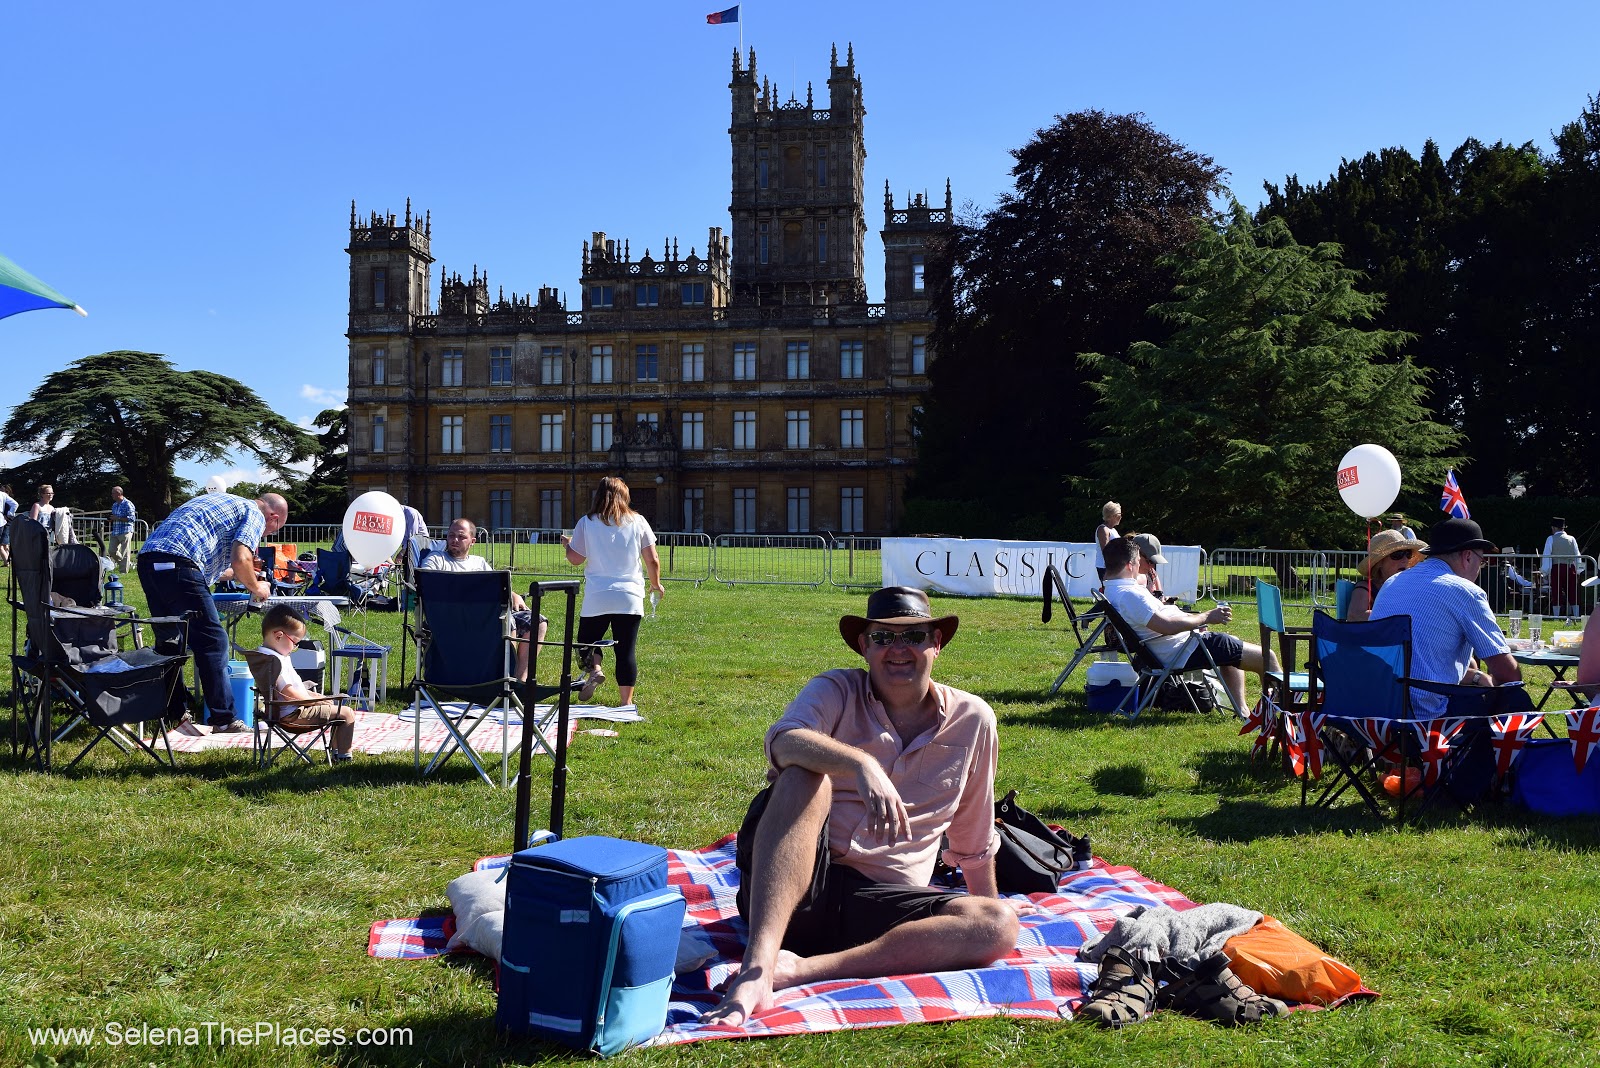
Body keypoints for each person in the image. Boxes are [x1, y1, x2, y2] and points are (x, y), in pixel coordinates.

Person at [702, 586, 1020, 1026]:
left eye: (912, 636)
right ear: (864, 647)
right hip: (794, 891)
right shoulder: (836, 689)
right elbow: (782, 740)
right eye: (883, 638)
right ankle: (757, 968)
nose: (898, 650)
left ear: (937, 644)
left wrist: (982, 912)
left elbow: (972, 832)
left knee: (999, 924)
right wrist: (858, 763)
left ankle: (798, 970)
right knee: (804, 775)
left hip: (883, 909)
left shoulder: (974, 720)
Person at [138, 492, 289, 734]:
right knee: (213, 641)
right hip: (179, 563)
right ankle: (224, 720)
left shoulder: (226, 502)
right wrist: (257, 586)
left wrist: (243, 573)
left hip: (149, 562)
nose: (268, 534)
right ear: (272, 516)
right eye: (274, 528)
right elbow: (241, 559)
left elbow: (216, 567)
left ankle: (174, 716)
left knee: (170, 643)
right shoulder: (254, 513)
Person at [1101, 535, 1277, 713]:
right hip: (1181, 649)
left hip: (1174, 646)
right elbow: (1167, 626)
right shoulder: (1130, 595)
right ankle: (1279, 716)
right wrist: (1206, 616)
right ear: (1130, 565)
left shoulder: (1113, 589)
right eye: (1138, 562)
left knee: (1231, 644)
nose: (1141, 567)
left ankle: (1243, 711)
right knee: (1267, 658)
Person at [1371, 517, 1521, 715]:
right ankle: (1478, 747)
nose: (1479, 568)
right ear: (1468, 556)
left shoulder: (1392, 583)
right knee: (1517, 698)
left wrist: (1476, 676)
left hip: (1375, 709)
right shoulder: (1466, 591)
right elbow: (1507, 673)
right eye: (1481, 561)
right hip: (1425, 714)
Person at [561, 476, 665, 707]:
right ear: (625, 496)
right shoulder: (638, 521)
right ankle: (626, 702)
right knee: (625, 650)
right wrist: (655, 583)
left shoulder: (586, 522)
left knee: (587, 641)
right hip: (629, 595)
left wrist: (567, 545)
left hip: (598, 594)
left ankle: (595, 669)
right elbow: (653, 559)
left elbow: (576, 559)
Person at [418, 517, 546, 682]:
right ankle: (504, 678)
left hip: (486, 618)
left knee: (537, 622)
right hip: (451, 620)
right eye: (451, 535)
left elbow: (496, 587)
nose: (454, 540)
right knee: (506, 621)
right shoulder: (436, 559)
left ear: (473, 541)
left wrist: (513, 595)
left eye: (461, 536)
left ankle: (520, 680)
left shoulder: (479, 562)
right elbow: (426, 583)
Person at [256, 604, 358, 761]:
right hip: (294, 715)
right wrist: (316, 701)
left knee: (334, 706)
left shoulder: (264, 656)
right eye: (295, 642)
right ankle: (343, 757)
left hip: (281, 711)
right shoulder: (276, 662)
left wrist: (318, 698)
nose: (295, 647)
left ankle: (336, 754)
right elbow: (291, 695)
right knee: (346, 713)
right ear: (278, 636)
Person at [1347, 528, 1426, 623]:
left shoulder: (1410, 586)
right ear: (1379, 562)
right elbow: (1355, 615)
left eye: (1408, 553)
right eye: (1398, 554)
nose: (1405, 559)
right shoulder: (1366, 587)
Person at [1540, 517, 1582, 619]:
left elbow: (1547, 556)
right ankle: (1576, 615)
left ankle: (1556, 616)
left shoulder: (1550, 539)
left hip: (1556, 568)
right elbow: (1577, 556)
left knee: (1556, 592)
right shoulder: (1572, 539)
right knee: (1572, 592)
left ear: (1554, 528)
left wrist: (1545, 572)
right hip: (1570, 568)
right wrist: (1579, 571)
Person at [1130, 532, 1169, 601]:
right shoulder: (1125, 579)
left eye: (1154, 562)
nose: (1152, 566)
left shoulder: (1151, 573)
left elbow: (1160, 596)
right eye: (1150, 561)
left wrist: (1163, 602)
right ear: (1137, 555)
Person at [108, 485, 137, 574]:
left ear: (118, 493)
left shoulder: (128, 504)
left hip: (125, 530)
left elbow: (132, 518)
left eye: (113, 493)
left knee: (125, 552)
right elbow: (115, 517)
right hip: (115, 530)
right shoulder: (114, 505)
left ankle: (123, 572)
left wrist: (118, 518)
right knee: (112, 551)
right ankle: (126, 564)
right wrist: (111, 519)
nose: (111, 495)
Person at [1092, 501, 1121, 582]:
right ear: (1113, 515)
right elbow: (1106, 550)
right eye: (1119, 514)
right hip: (1106, 566)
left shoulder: (1113, 530)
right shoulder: (1103, 529)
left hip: (1113, 565)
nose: (1121, 517)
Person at [0, 483, 16, 565]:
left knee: (3, 544)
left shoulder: (5, 498)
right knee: (5, 544)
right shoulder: (4, 497)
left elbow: (15, 505)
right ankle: (9, 560)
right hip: (4, 521)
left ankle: (7, 562)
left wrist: (8, 515)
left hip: (6, 522)